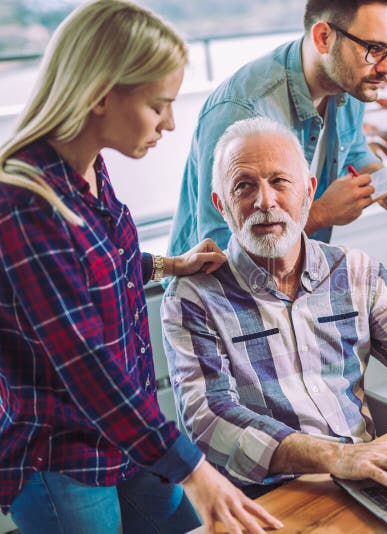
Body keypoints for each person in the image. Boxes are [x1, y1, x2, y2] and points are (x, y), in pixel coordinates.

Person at [0, 2, 282, 532]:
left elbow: (98, 266)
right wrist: (193, 469)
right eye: (158, 106)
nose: (169, 123)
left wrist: (173, 264)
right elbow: (86, 364)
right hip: (64, 458)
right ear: (101, 95)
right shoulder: (23, 204)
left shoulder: (89, 167)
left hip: (124, 438)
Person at [161, 117, 387, 494]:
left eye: (279, 181)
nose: (265, 201)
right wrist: (336, 456)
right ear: (221, 205)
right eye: (244, 186)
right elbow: (210, 419)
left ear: (308, 191)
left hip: (370, 480)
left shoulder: (357, 272)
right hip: (268, 499)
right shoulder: (193, 297)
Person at [167, 0, 387, 258]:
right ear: (323, 38)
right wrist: (321, 214)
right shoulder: (241, 111)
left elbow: (354, 151)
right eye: (374, 49)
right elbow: (222, 252)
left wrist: (385, 181)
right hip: (211, 282)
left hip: (289, 274)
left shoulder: (348, 82)